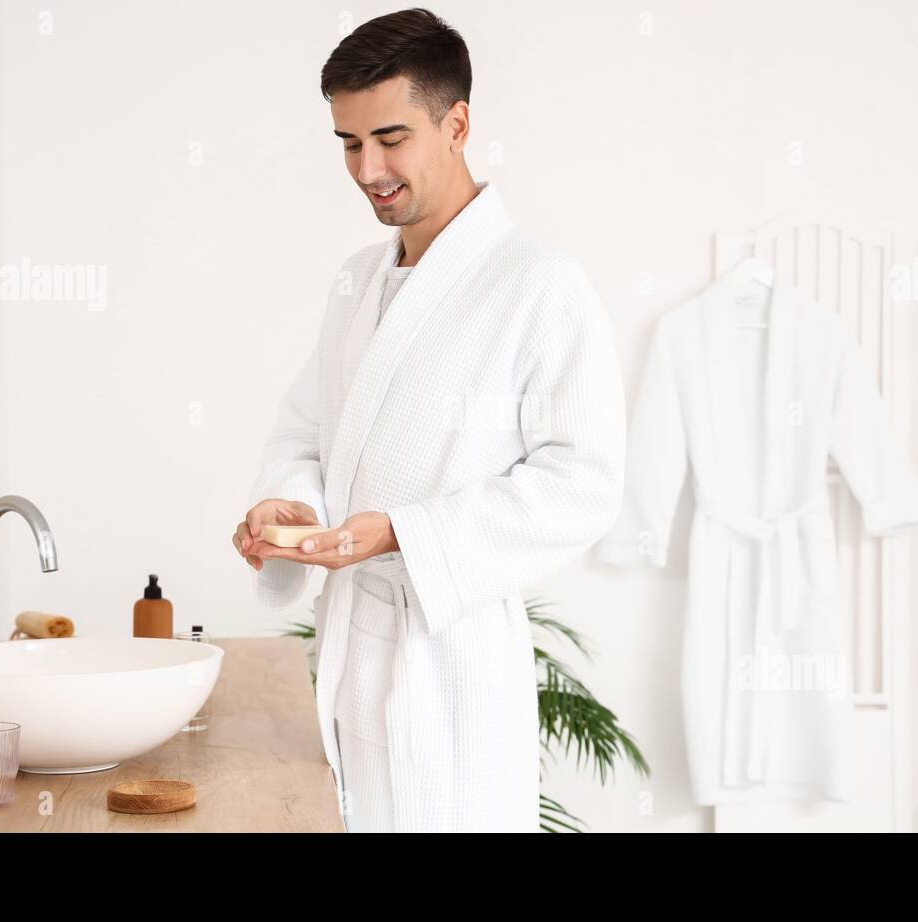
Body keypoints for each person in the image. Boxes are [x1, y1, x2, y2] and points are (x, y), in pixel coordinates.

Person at [232, 8, 625, 832]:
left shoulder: (539, 284)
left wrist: (404, 535)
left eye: (389, 137)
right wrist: (294, 509)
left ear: (457, 124)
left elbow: (584, 484)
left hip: (451, 667)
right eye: (347, 142)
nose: (367, 167)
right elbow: (306, 432)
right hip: (352, 660)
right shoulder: (357, 281)